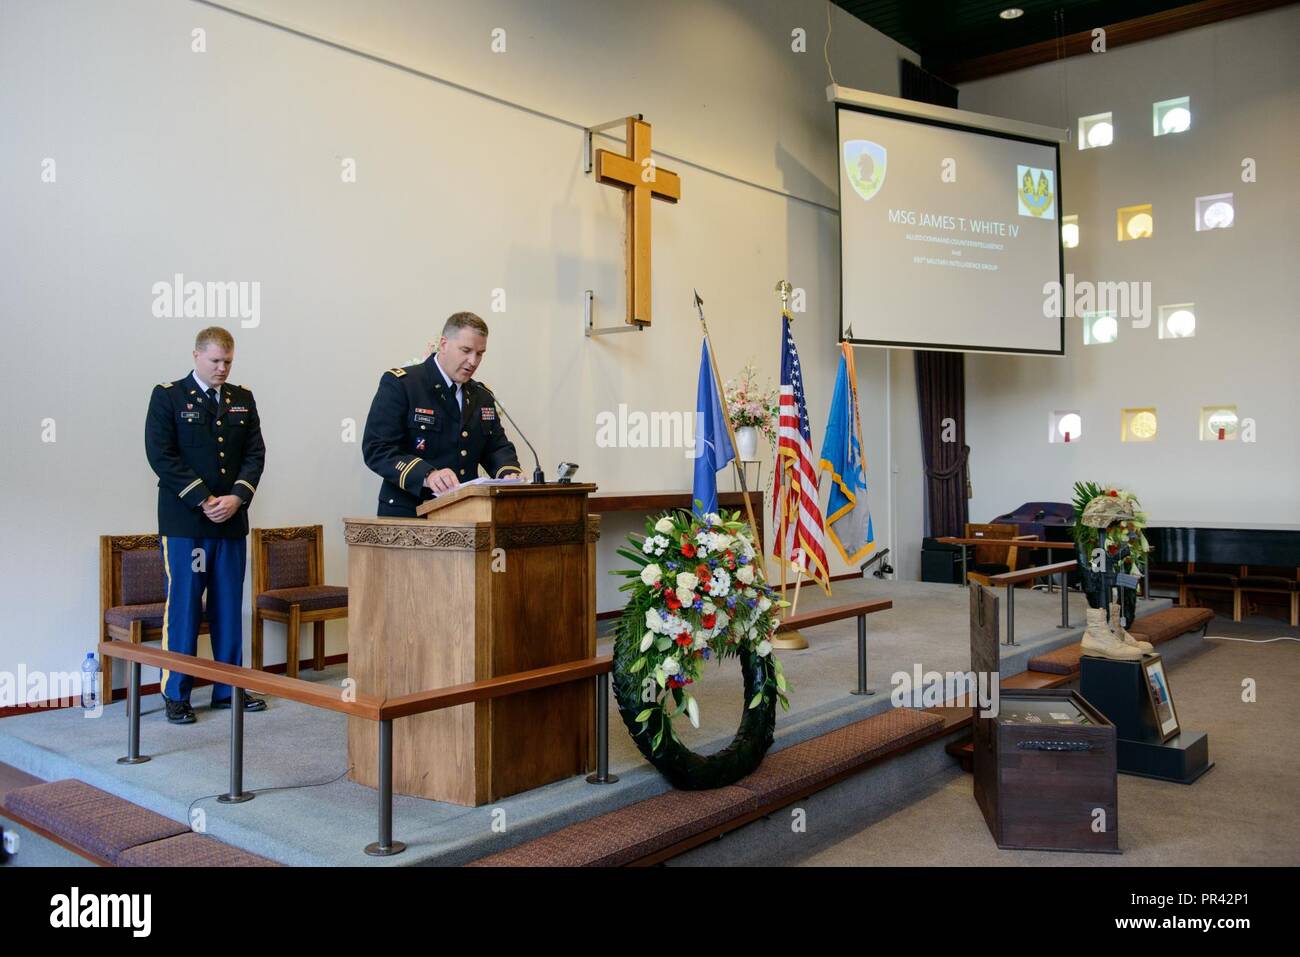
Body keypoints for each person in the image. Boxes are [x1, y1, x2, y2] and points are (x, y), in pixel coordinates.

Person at [145, 326, 267, 723]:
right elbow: (161, 455)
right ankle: (176, 692)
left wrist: (238, 496)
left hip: (230, 522)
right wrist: (204, 498)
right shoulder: (168, 396)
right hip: (187, 524)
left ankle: (228, 687)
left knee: (229, 605)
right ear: (196, 355)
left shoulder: (241, 399)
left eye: (228, 361)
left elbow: (255, 453)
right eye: (215, 361)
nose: (222, 368)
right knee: (183, 606)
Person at [363, 312, 522, 517]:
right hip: (411, 514)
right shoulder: (404, 384)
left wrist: (509, 473)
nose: (473, 361)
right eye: (466, 350)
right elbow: (377, 448)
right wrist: (427, 474)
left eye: (480, 353)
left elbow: (496, 447)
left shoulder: (481, 395)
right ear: (444, 344)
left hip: (464, 514)